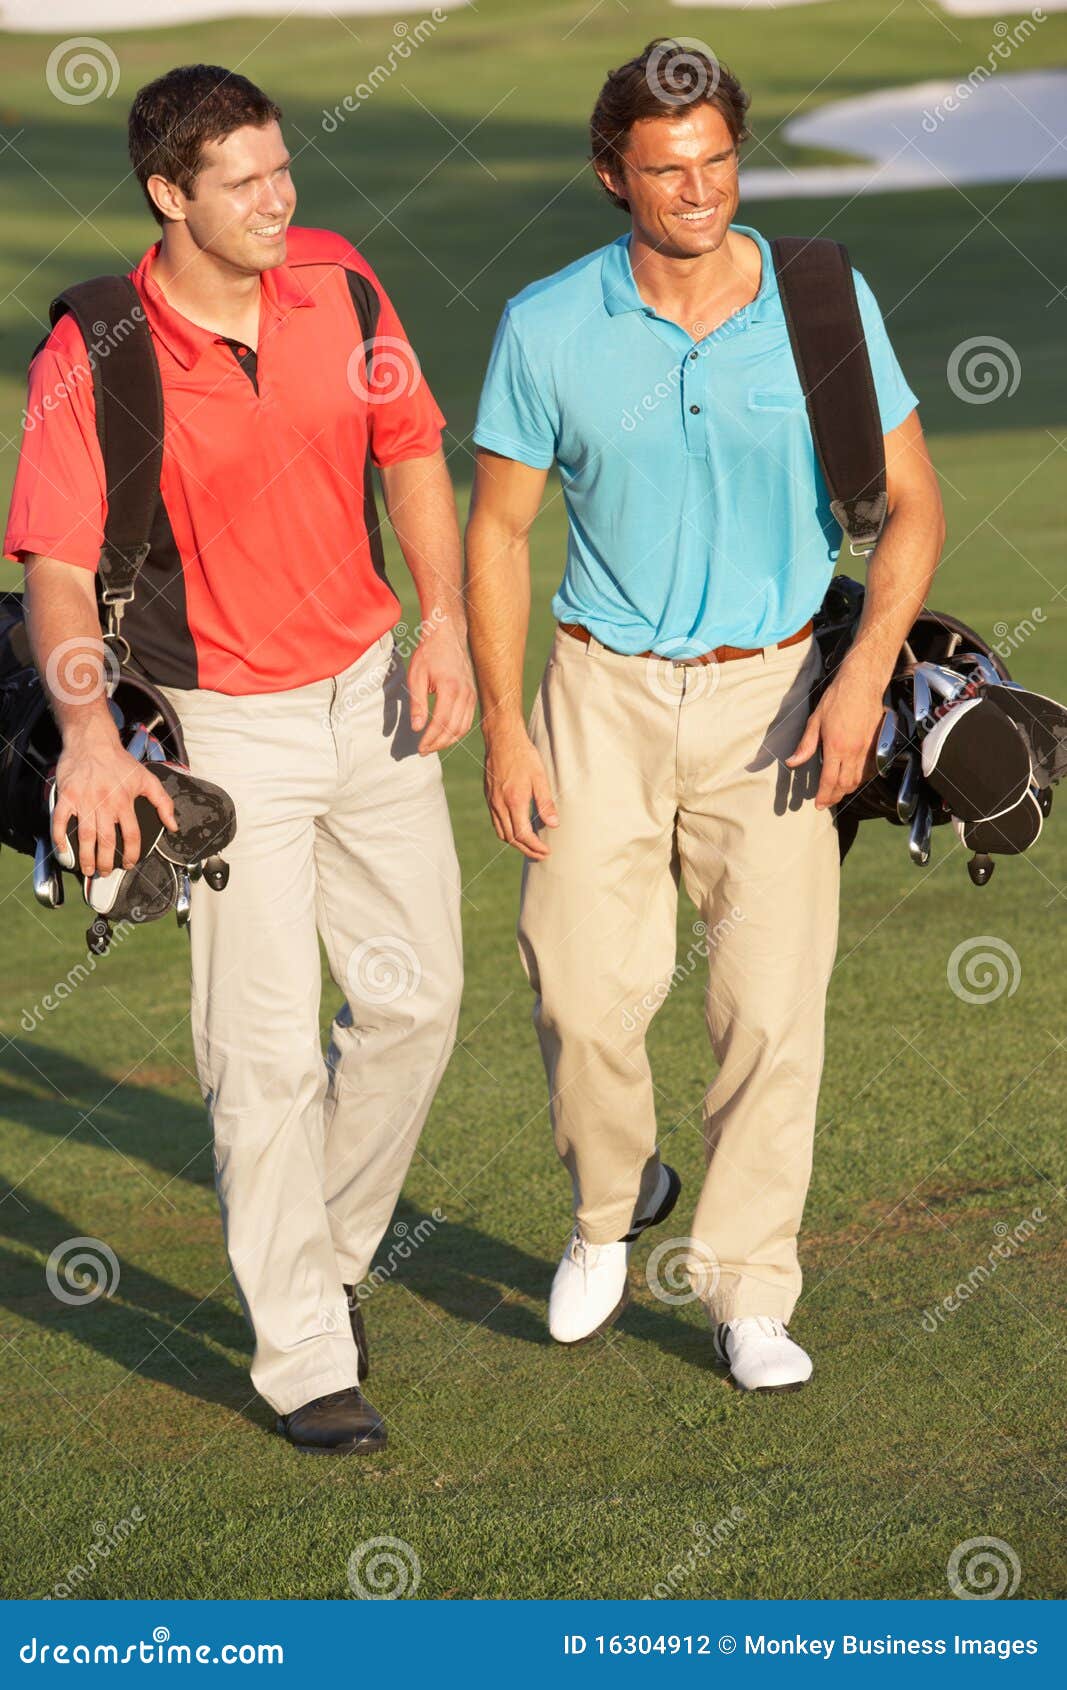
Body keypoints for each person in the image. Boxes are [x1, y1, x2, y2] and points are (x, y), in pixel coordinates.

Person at [4, 64, 474, 1453]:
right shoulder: (90, 350)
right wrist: (89, 733)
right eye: (246, 182)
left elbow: (412, 452)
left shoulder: (344, 283)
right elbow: (55, 562)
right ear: (169, 195)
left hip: (373, 697)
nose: (280, 200)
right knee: (261, 1053)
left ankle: (321, 1256)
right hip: (222, 729)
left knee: (417, 1005)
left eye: (284, 170)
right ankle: (303, 1352)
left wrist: (441, 624)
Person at [465, 40, 945, 1392]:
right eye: (668, 170)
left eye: (720, 160)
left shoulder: (823, 299)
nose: (700, 190)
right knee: (577, 986)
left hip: (780, 694)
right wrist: (505, 724)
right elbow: (497, 532)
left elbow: (914, 507)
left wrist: (861, 680)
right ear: (614, 176)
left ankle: (748, 1290)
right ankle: (611, 1206)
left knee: (769, 1007)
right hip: (596, 693)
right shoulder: (545, 323)